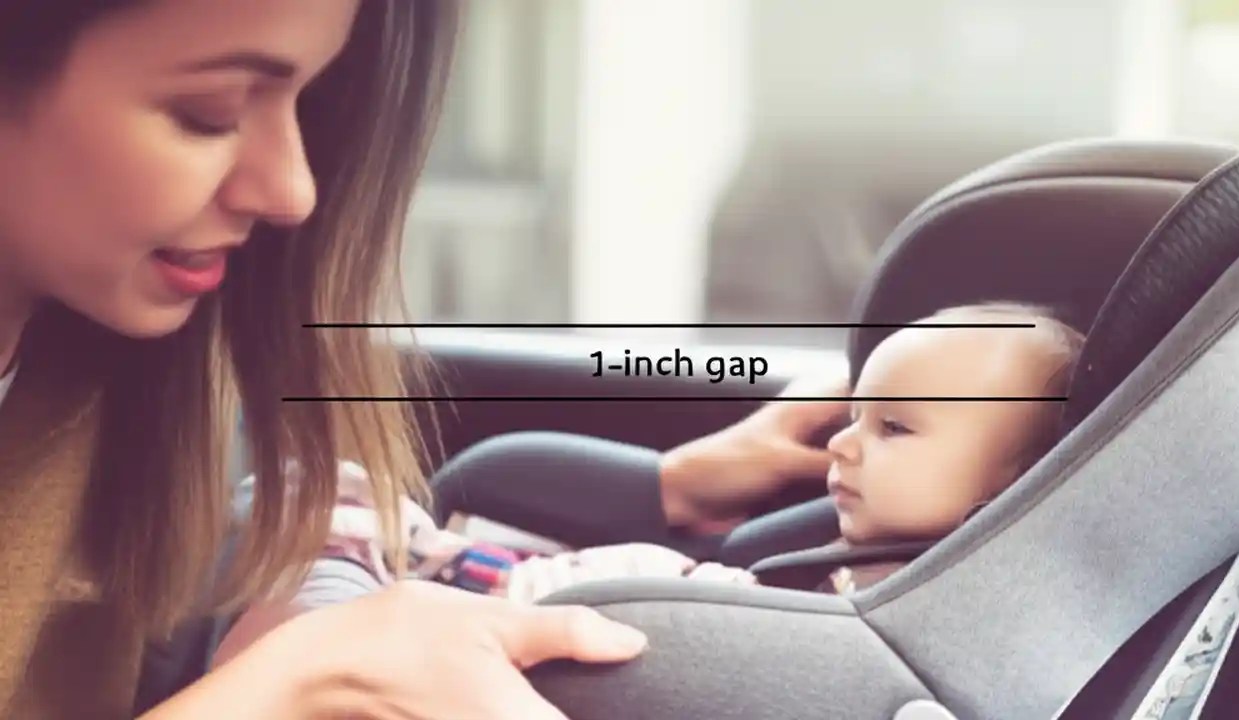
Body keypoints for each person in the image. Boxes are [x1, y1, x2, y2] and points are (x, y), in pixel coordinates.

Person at [0, 2, 849, 717]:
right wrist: (286, 687)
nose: (293, 188)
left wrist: (661, 490)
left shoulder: (105, 380)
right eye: (212, 111)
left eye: (308, 101)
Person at [209, 301, 1083, 642]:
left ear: (1011, 496)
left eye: (892, 428)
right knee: (312, 495)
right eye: (851, 418)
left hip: (486, 627)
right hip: (504, 589)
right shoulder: (839, 561)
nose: (843, 446)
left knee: (296, 513)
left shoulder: (870, 629)